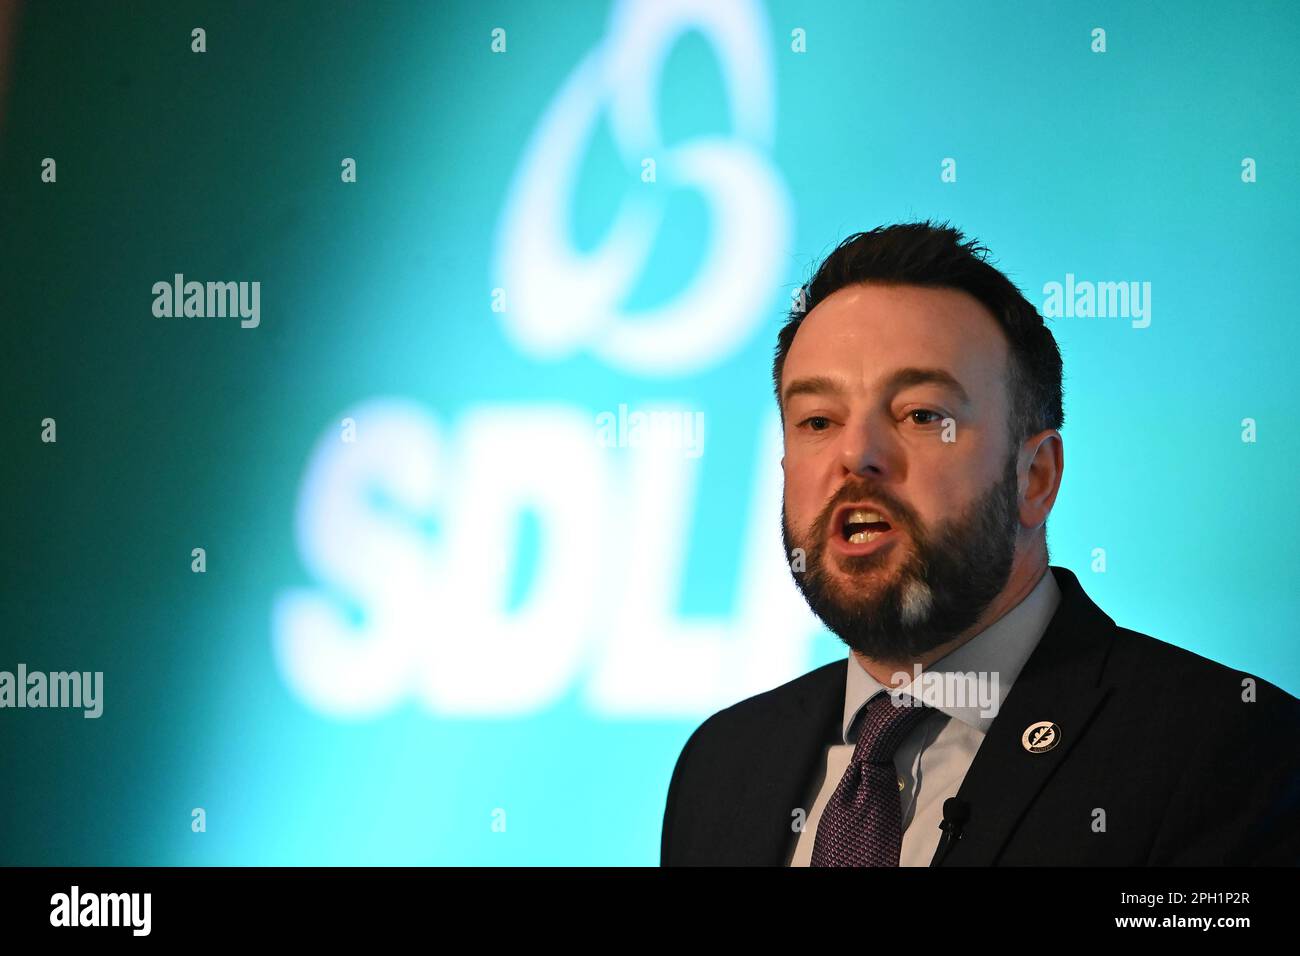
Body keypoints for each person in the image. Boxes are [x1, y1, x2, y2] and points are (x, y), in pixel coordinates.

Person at [659, 222, 1300, 866]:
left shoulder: (1227, 751)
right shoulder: (722, 768)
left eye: (921, 416)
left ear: (1036, 477)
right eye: (818, 421)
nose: (856, 455)